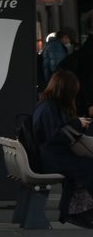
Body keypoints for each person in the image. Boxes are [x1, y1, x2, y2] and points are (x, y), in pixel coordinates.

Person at [32, 69, 93, 228]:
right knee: (87, 168)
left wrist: (78, 124)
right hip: (52, 158)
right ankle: (76, 212)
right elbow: (56, 137)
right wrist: (78, 124)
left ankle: (76, 211)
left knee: (84, 168)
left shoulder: (46, 104)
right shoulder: (49, 107)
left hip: (49, 156)